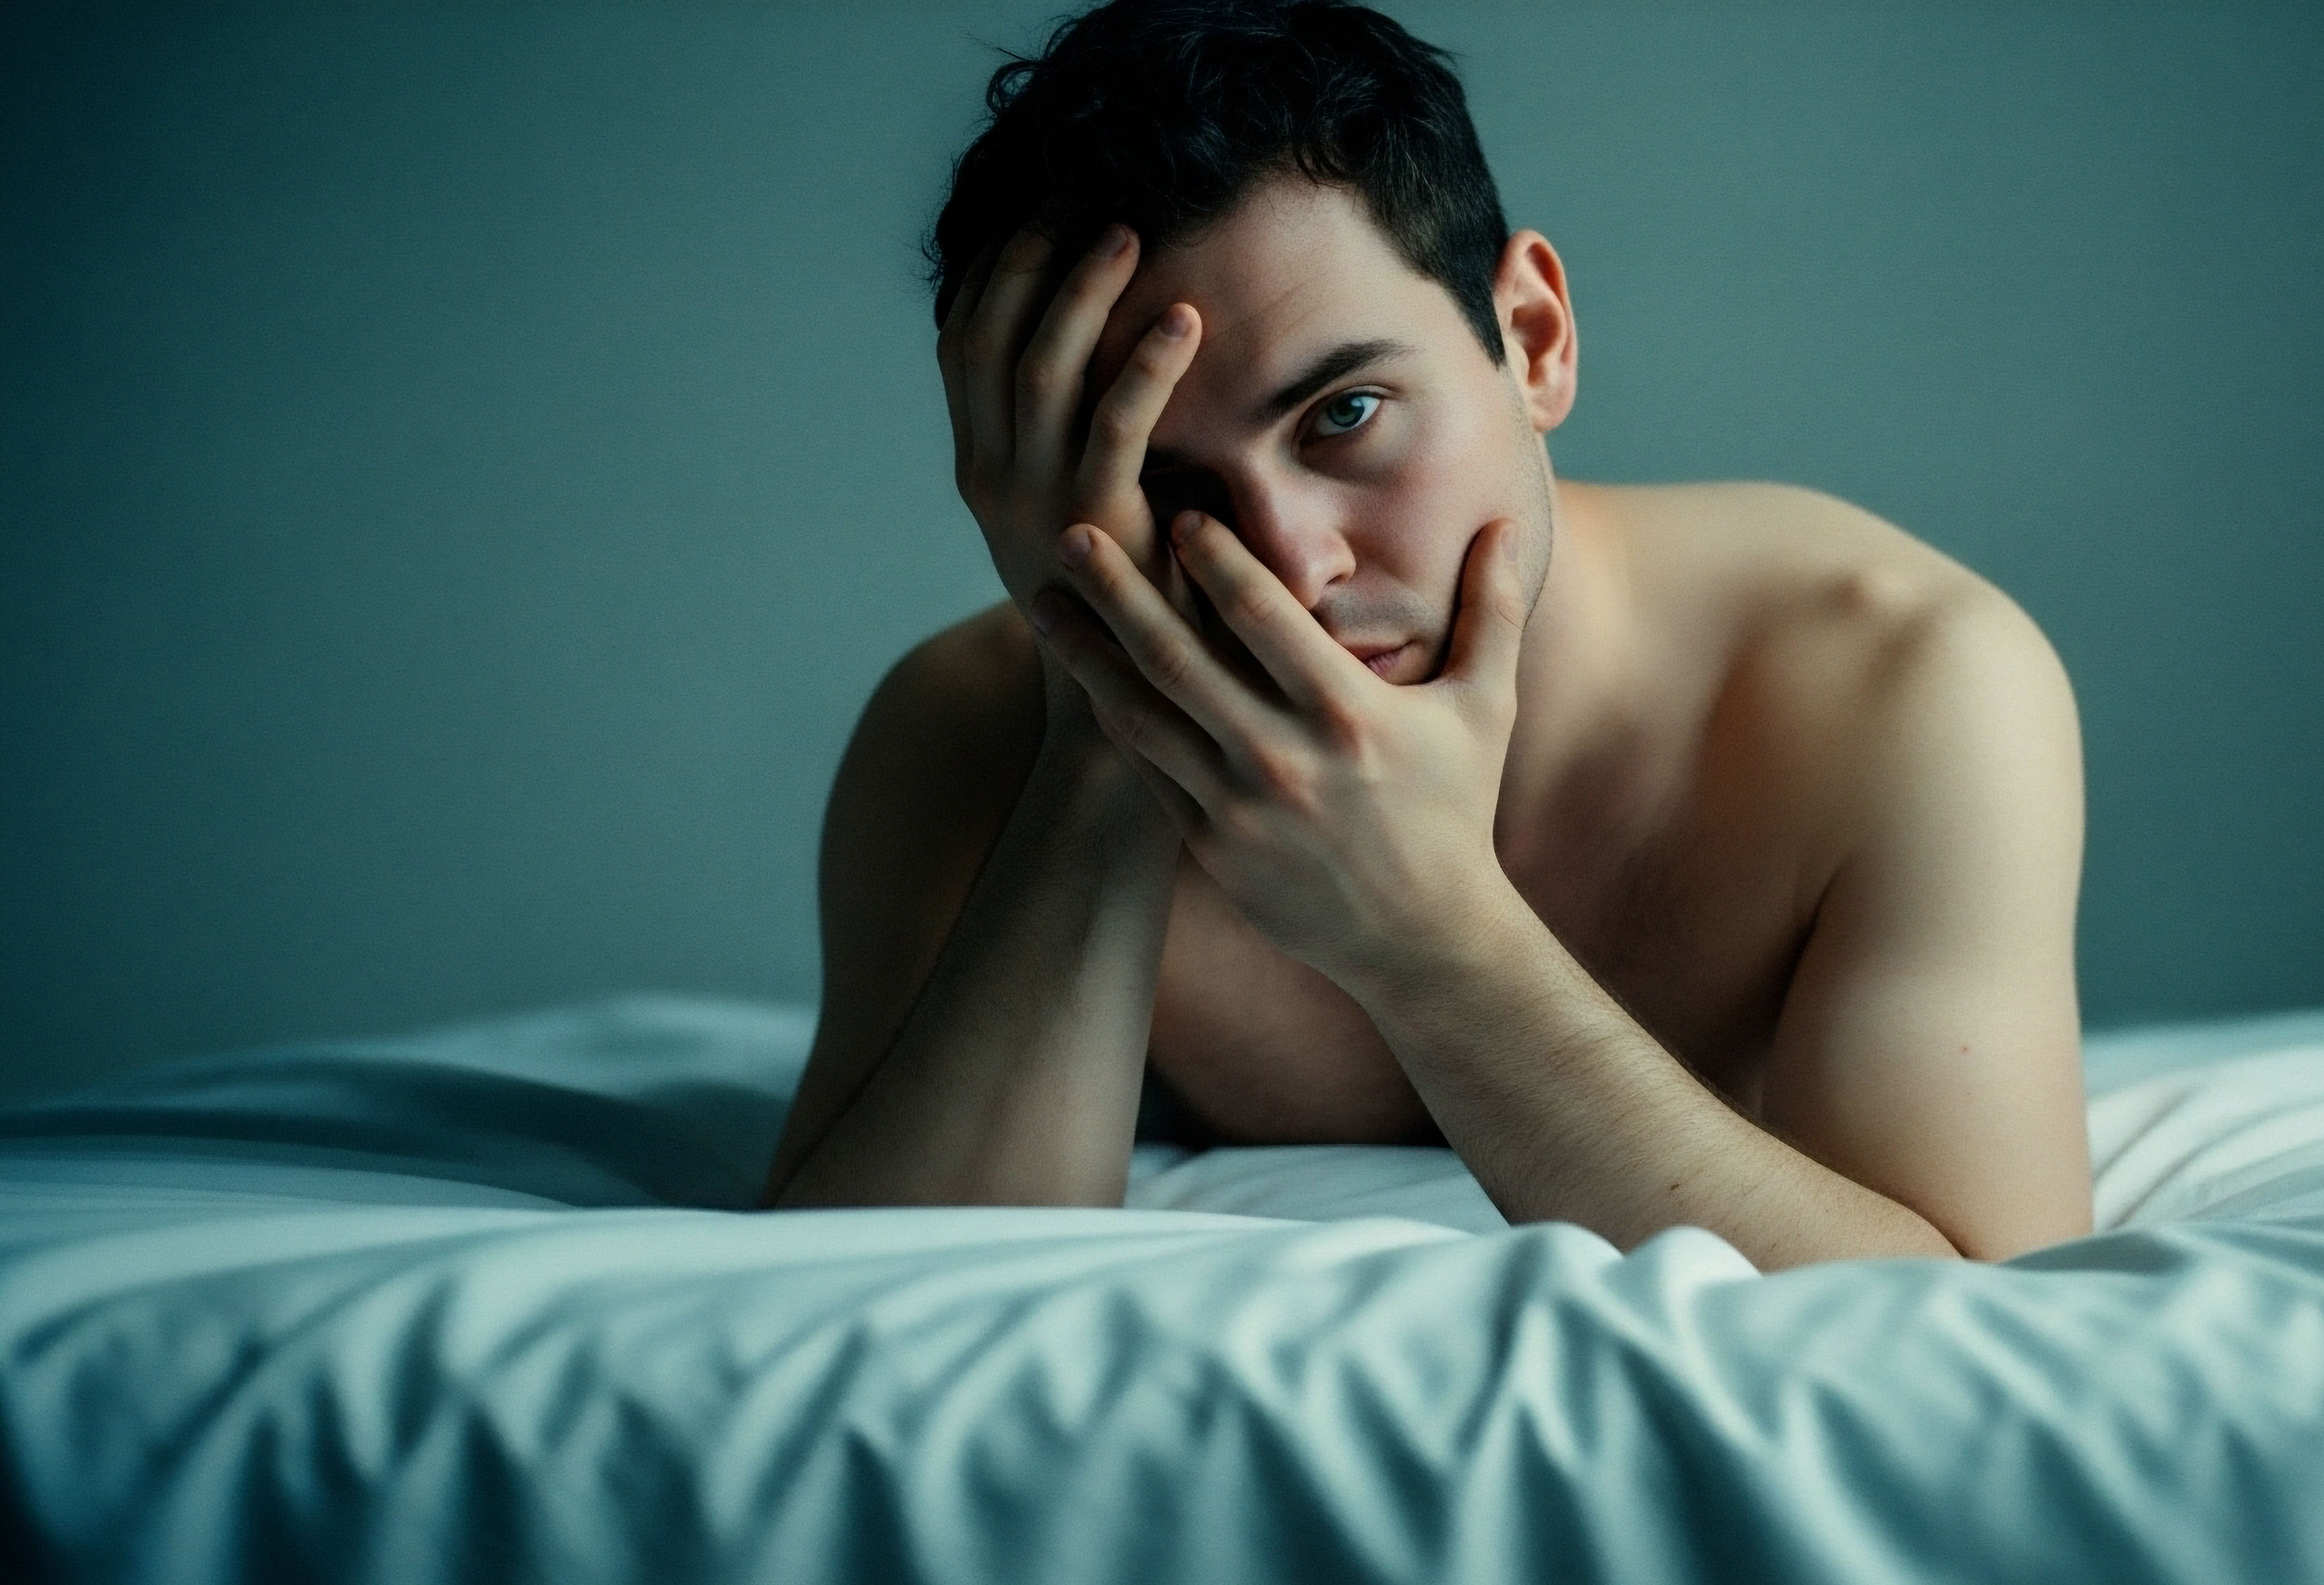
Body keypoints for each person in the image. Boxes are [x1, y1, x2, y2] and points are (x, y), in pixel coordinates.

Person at [760, 0, 2091, 1268]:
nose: (1291, 567)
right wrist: (1107, 710)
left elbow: (1978, 1327)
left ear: (1534, 339)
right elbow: (868, 1308)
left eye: (1344, 415)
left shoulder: (1903, 681)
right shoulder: (973, 731)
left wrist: (1429, 935)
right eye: (1163, 483)